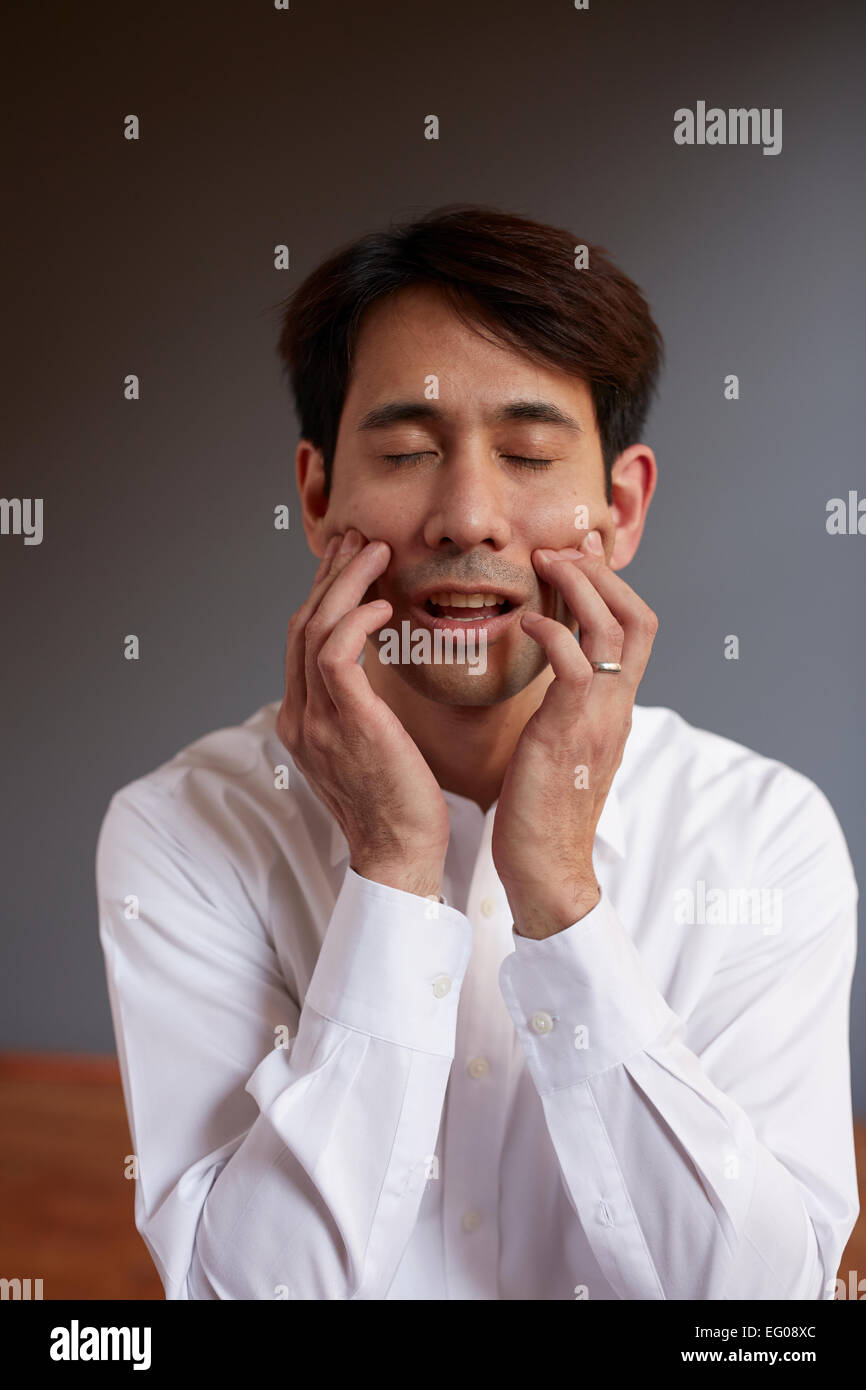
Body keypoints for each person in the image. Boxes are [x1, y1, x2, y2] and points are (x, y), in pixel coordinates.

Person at [96, 205, 859, 1300]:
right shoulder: (180, 829)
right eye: (405, 451)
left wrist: (557, 893)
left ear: (622, 504)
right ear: (316, 496)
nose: (465, 517)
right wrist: (391, 868)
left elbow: (759, 1311)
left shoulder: (762, 835)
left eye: (529, 453)